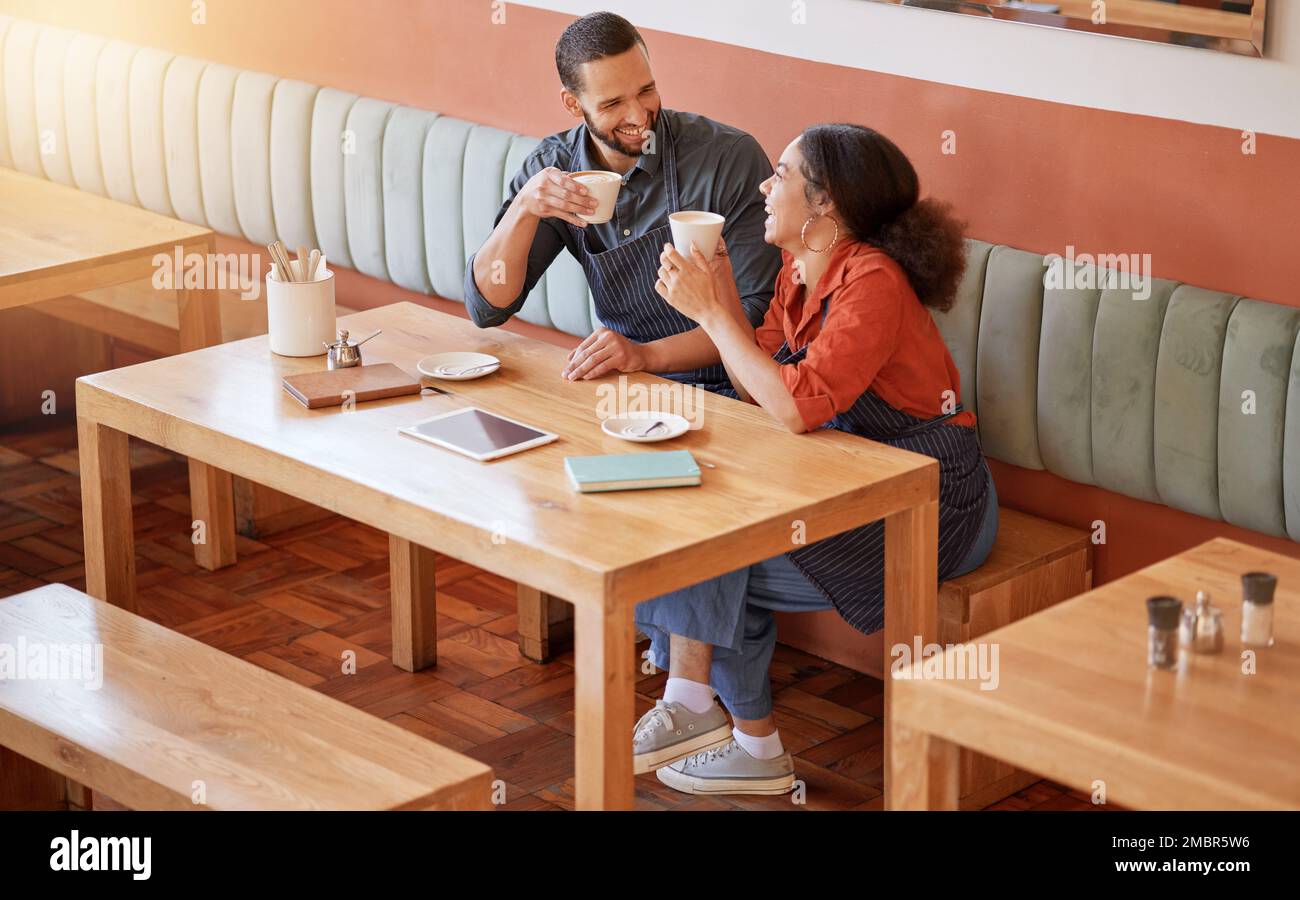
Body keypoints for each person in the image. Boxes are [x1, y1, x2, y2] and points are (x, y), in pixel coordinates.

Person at [630, 124, 1000, 796]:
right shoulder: (797, 274)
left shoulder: (874, 285)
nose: (765, 187)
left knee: (709, 554)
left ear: (825, 203)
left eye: (780, 173)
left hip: (933, 505)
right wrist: (720, 298)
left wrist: (713, 319)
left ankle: (730, 728)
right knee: (683, 531)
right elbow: (761, 390)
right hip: (847, 481)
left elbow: (798, 410)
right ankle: (714, 716)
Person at [463, 11, 780, 392]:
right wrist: (524, 209)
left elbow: (755, 320)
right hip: (624, 389)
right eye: (613, 103)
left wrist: (643, 355)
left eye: (646, 91)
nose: (638, 115)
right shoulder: (555, 167)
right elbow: (488, 305)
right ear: (572, 103)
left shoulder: (727, 158)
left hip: (733, 392)